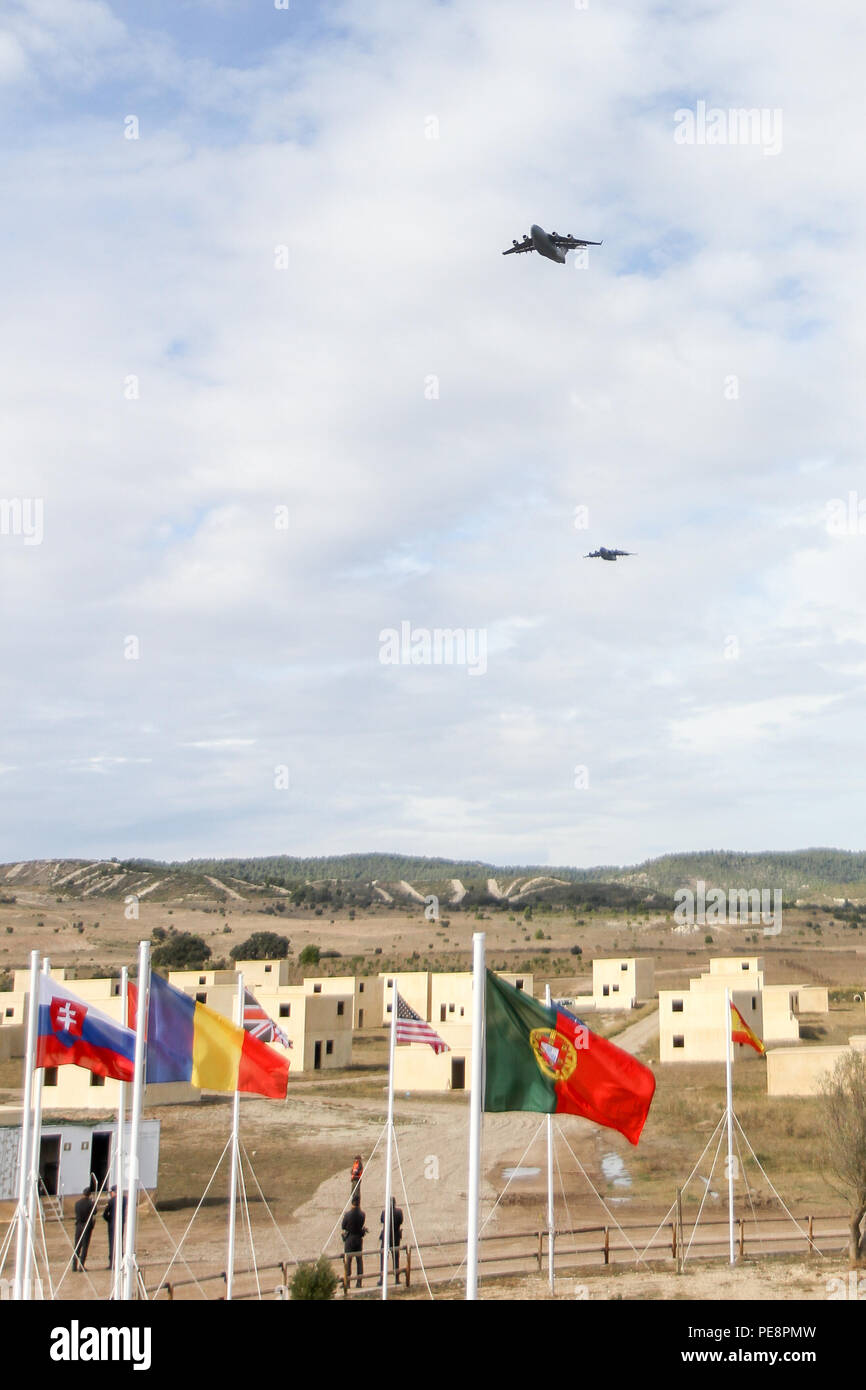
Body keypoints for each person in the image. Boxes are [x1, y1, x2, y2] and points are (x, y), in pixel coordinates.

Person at [341, 1194, 367, 1289]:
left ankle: (347, 1282)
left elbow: (343, 1226)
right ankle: (359, 1282)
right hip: (358, 1238)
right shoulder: (362, 1214)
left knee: (348, 1260)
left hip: (350, 1238)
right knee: (359, 1260)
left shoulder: (348, 1214)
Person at [378, 1197, 403, 1285]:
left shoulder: (385, 1212)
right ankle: (397, 1278)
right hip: (395, 1237)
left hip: (386, 1237)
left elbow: (381, 1220)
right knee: (396, 1258)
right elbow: (401, 1221)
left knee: (384, 1258)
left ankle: (382, 1278)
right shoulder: (399, 1212)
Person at [103, 1186, 128, 1268]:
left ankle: (112, 1263)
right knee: (120, 1242)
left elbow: (105, 1214)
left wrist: (109, 1220)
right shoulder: (125, 1199)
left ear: (114, 1192)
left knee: (112, 1243)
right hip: (121, 1223)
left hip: (113, 1225)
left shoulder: (112, 1200)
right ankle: (121, 1261)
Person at [72, 1188, 96, 1272]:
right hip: (86, 1226)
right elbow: (95, 1212)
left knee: (77, 1246)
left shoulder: (77, 1203)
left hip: (78, 1226)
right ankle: (81, 1266)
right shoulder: (90, 1203)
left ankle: (74, 1265)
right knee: (85, 1246)